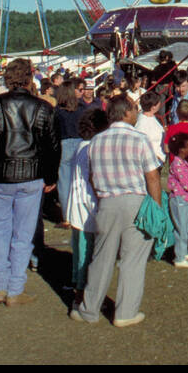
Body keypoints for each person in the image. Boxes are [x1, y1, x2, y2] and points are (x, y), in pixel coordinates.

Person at [0, 58, 59, 308]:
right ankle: (15, 289)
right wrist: (51, 176)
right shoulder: (42, 108)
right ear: (30, 78)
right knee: (23, 233)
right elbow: (52, 146)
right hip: (31, 175)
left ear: (6, 79)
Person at [70, 96, 162, 327]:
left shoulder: (96, 142)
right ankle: (125, 312)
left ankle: (89, 309)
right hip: (135, 201)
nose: (137, 112)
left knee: (101, 258)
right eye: (134, 108)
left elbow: (92, 177)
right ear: (126, 113)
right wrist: (156, 207)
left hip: (107, 203)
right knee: (133, 259)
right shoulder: (140, 140)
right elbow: (152, 177)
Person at [67, 108, 107, 303]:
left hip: (76, 201)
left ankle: (77, 280)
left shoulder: (80, 146)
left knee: (79, 245)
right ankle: (82, 289)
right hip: (87, 202)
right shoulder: (92, 148)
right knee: (86, 248)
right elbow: (93, 179)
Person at [167, 131, 188, 267]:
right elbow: (186, 181)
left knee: (187, 226)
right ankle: (180, 257)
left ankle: (184, 251)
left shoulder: (182, 162)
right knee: (182, 227)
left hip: (185, 199)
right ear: (182, 149)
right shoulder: (177, 164)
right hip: (179, 200)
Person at [54, 84, 84, 227]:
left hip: (64, 143)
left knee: (64, 183)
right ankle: (80, 213)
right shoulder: (81, 109)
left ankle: (67, 217)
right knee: (80, 181)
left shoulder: (56, 112)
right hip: (79, 143)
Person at [137, 91, 167, 165]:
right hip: (151, 164)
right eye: (159, 102)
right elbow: (141, 147)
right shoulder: (141, 124)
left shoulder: (152, 116)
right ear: (153, 107)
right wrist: (156, 157)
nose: (160, 103)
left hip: (158, 162)